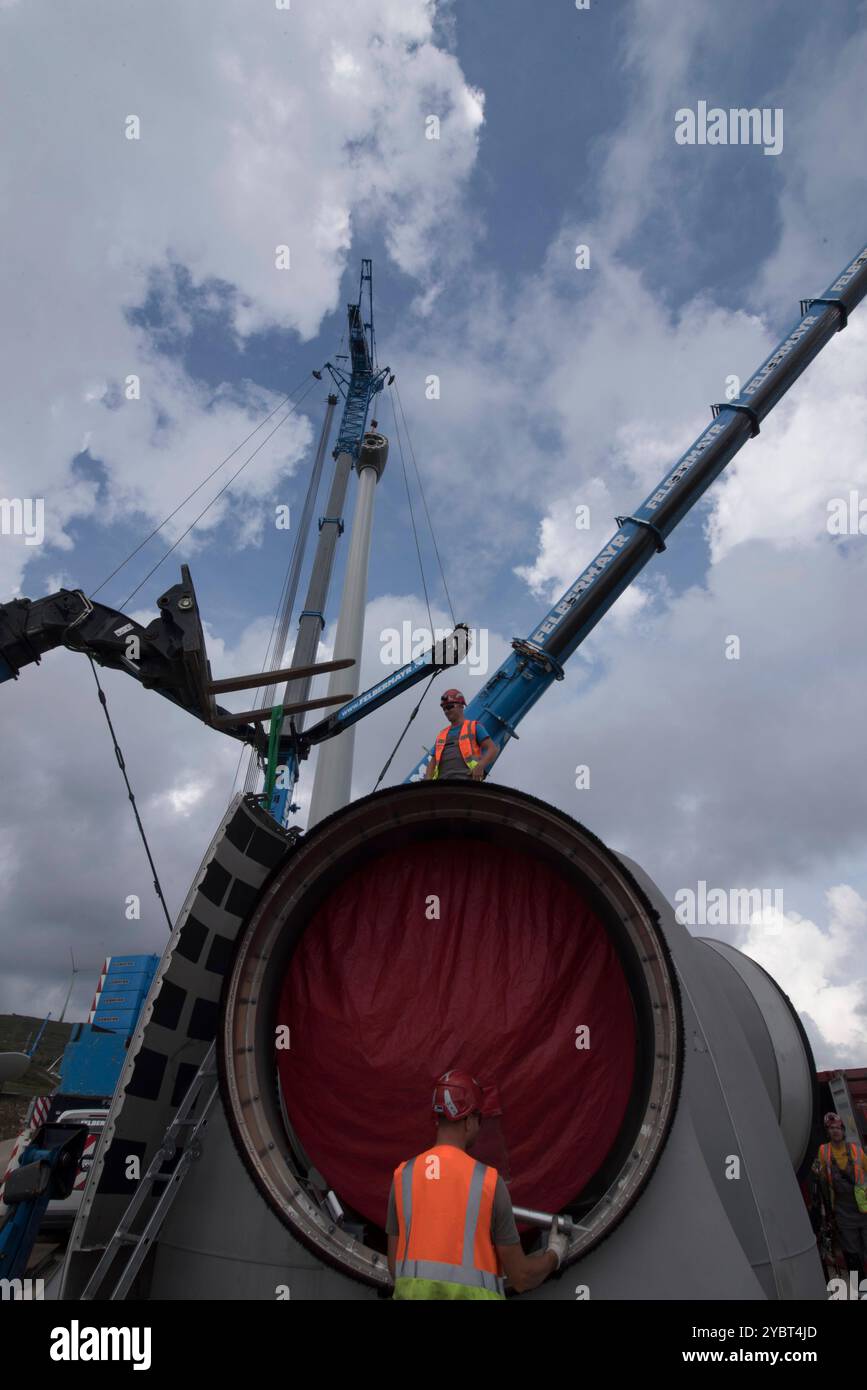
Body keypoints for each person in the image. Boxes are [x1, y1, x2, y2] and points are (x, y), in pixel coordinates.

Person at [385, 1069, 568, 1299]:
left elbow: (395, 1267)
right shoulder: (489, 1183)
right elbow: (521, 1277)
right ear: (469, 1120)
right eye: (479, 1118)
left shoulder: (403, 1177)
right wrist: (554, 1255)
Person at [811, 1111, 867, 1278]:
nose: (835, 1131)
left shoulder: (857, 1151)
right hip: (842, 1210)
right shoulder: (824, 1152)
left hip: (864, 1208)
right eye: (831, 1128)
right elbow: (817, 1175)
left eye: (838, 1128)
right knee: (852, 1253)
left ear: (843, 1130)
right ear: (827, 1132)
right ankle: (861, 1290)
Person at [423, 689, 498, 782]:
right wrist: (428, 780)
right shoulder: (441, 735)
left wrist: (480, 766)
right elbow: (433, 761)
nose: (446, 711)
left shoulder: (474, 727)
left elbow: (492, 749)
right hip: (443, 785)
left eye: (450, 706)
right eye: (444, 708)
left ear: (461, 705)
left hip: (467, 782)